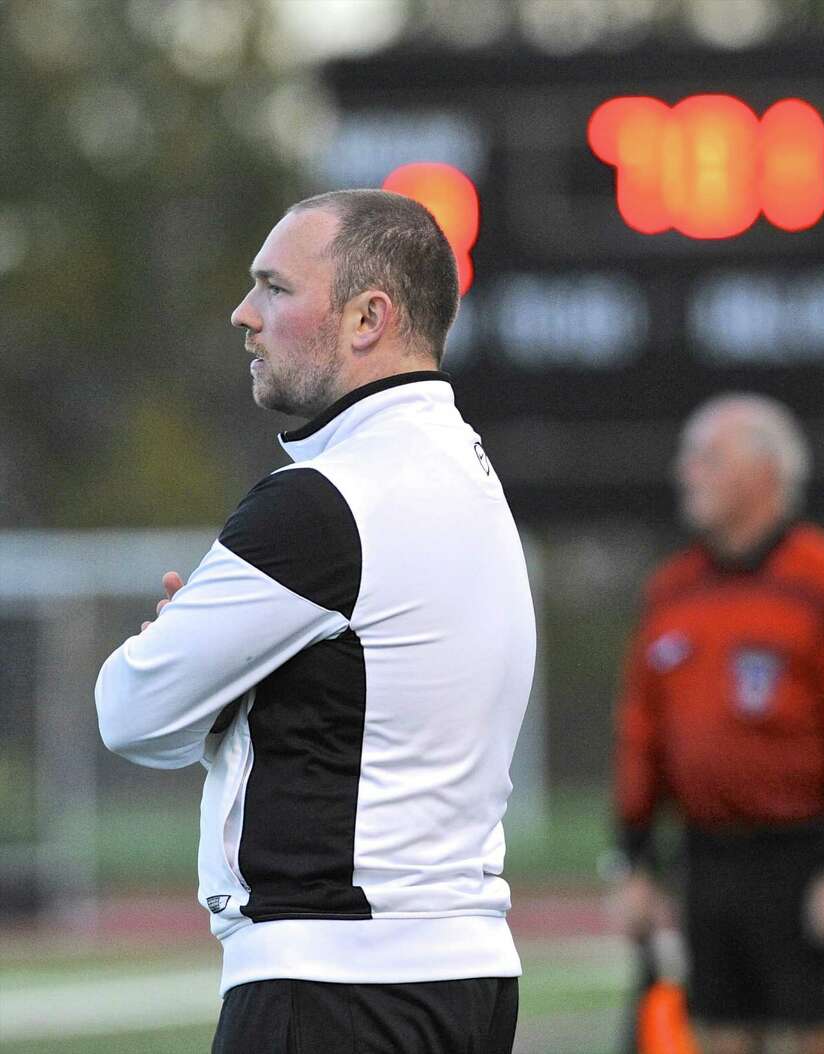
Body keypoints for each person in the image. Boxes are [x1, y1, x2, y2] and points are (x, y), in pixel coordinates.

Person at [95, 189, 535, 1053]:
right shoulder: (466, 472)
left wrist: (201, 669)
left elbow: (130, 712)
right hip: (467, 977)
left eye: (274, 288)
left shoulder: (324, 503)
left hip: (337, 983)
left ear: (369, 317)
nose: (244, 314)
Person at [613, 394, 824, 1054]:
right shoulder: (673, 589)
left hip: (804, 856)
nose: (686, 471)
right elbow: (641, 734)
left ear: (764, 472)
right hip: (708, 858)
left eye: (707, 456)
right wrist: (631, 859)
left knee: (822, 1038)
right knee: (717, 1036)